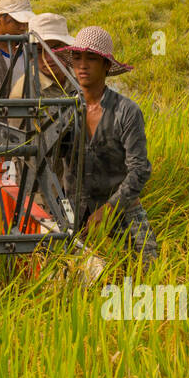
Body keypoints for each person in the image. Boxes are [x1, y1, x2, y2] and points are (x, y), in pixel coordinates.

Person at [64, 26, 158, 263]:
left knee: (146, 274)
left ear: (106, 65)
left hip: (121, 213)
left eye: (91, 58)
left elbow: (140, 170)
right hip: (74, 217)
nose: (82, 65)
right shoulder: (64, 111)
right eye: (77, 58)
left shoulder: (126, 111)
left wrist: (108, 210)